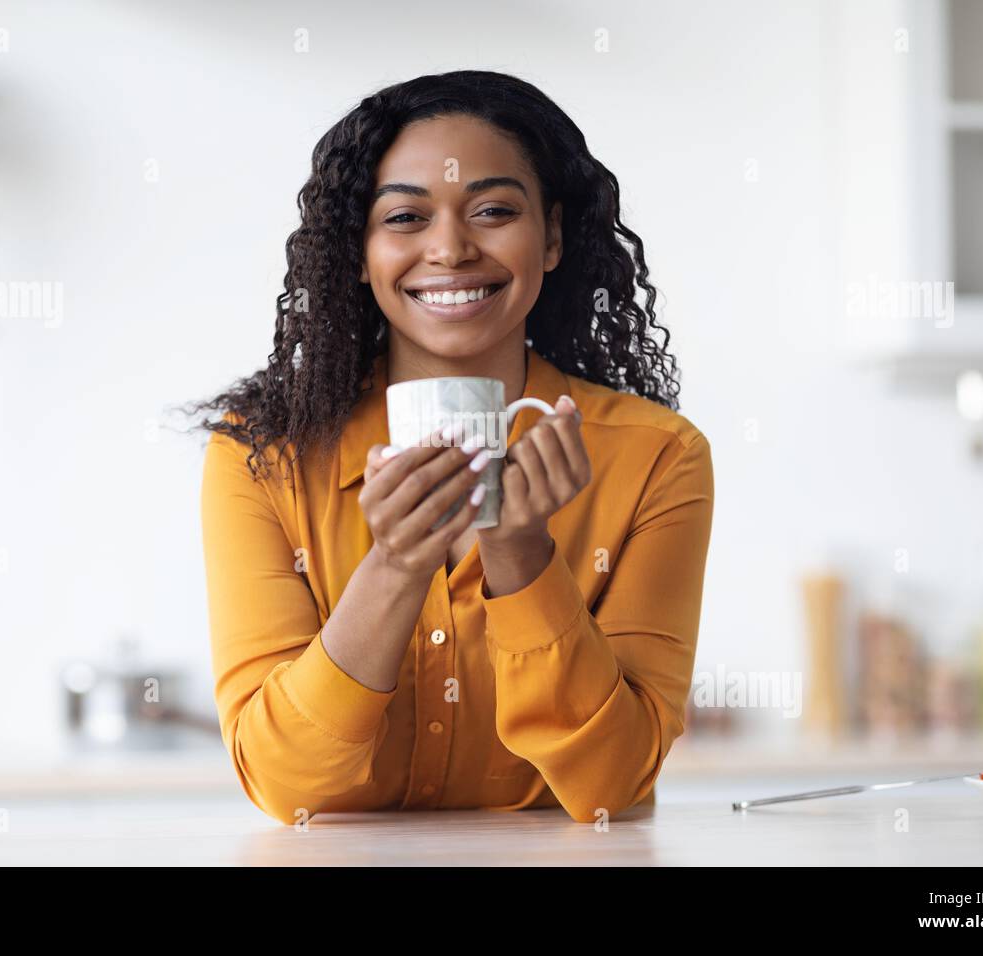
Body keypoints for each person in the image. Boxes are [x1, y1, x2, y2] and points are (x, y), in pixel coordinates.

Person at [192, 70, 714, 826]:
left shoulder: (657, 459)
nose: (450, 249)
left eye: (494, 210)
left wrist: (522, 555)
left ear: (555, 236)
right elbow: (284, 783)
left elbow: (612, 785)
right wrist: (396, 564)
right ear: (359, 250)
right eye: (405, 217)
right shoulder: (261, 457)